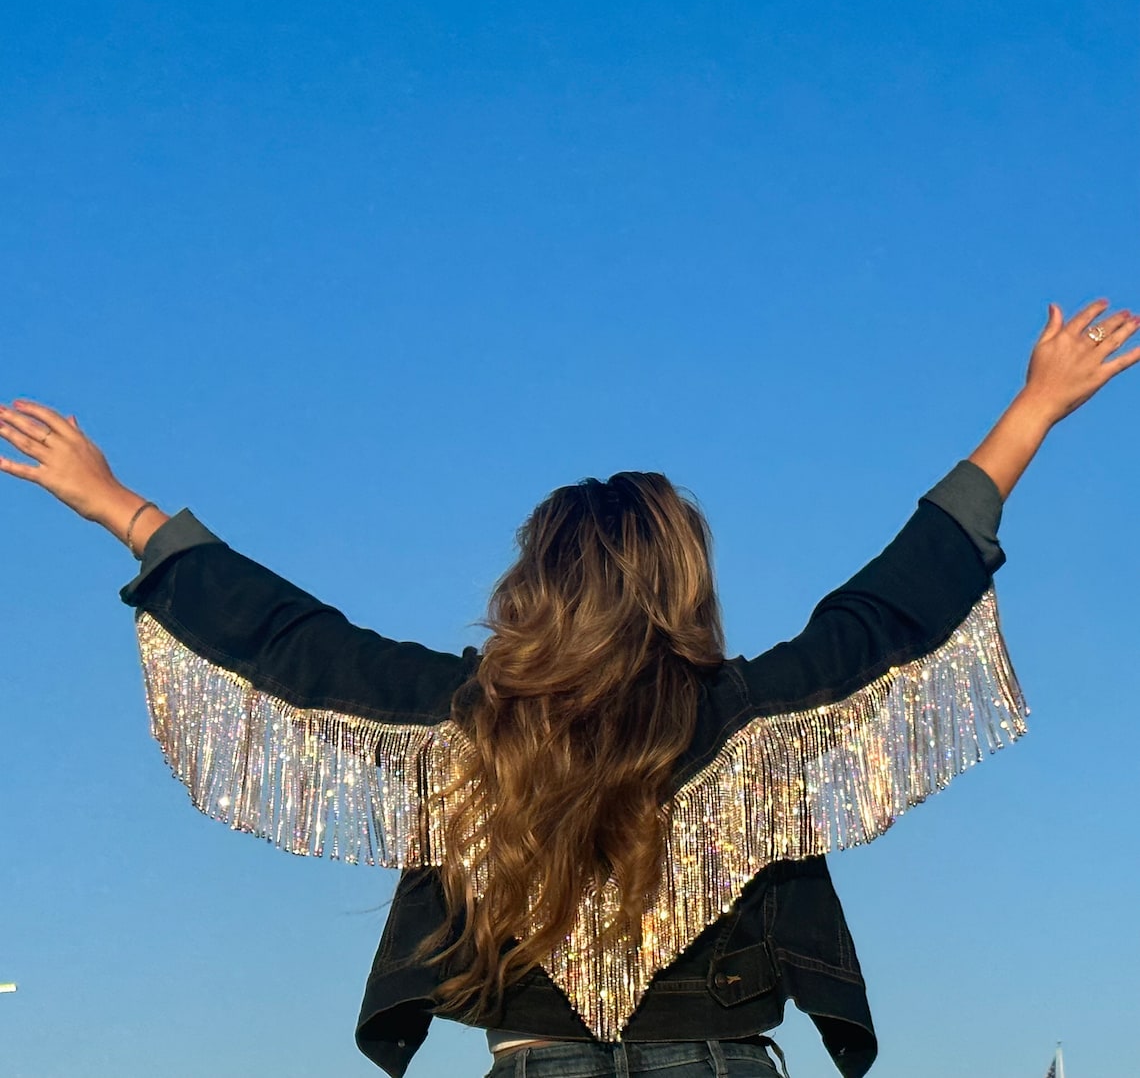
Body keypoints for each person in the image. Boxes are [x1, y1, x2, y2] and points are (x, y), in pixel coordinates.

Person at [1, 299, 1136, 1078]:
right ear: (683, 581)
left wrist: (120, 507)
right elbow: (894, 606)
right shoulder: (746, 717)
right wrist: (1030, 413)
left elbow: (293, 643)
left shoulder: (463, 730)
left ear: (534, 582)